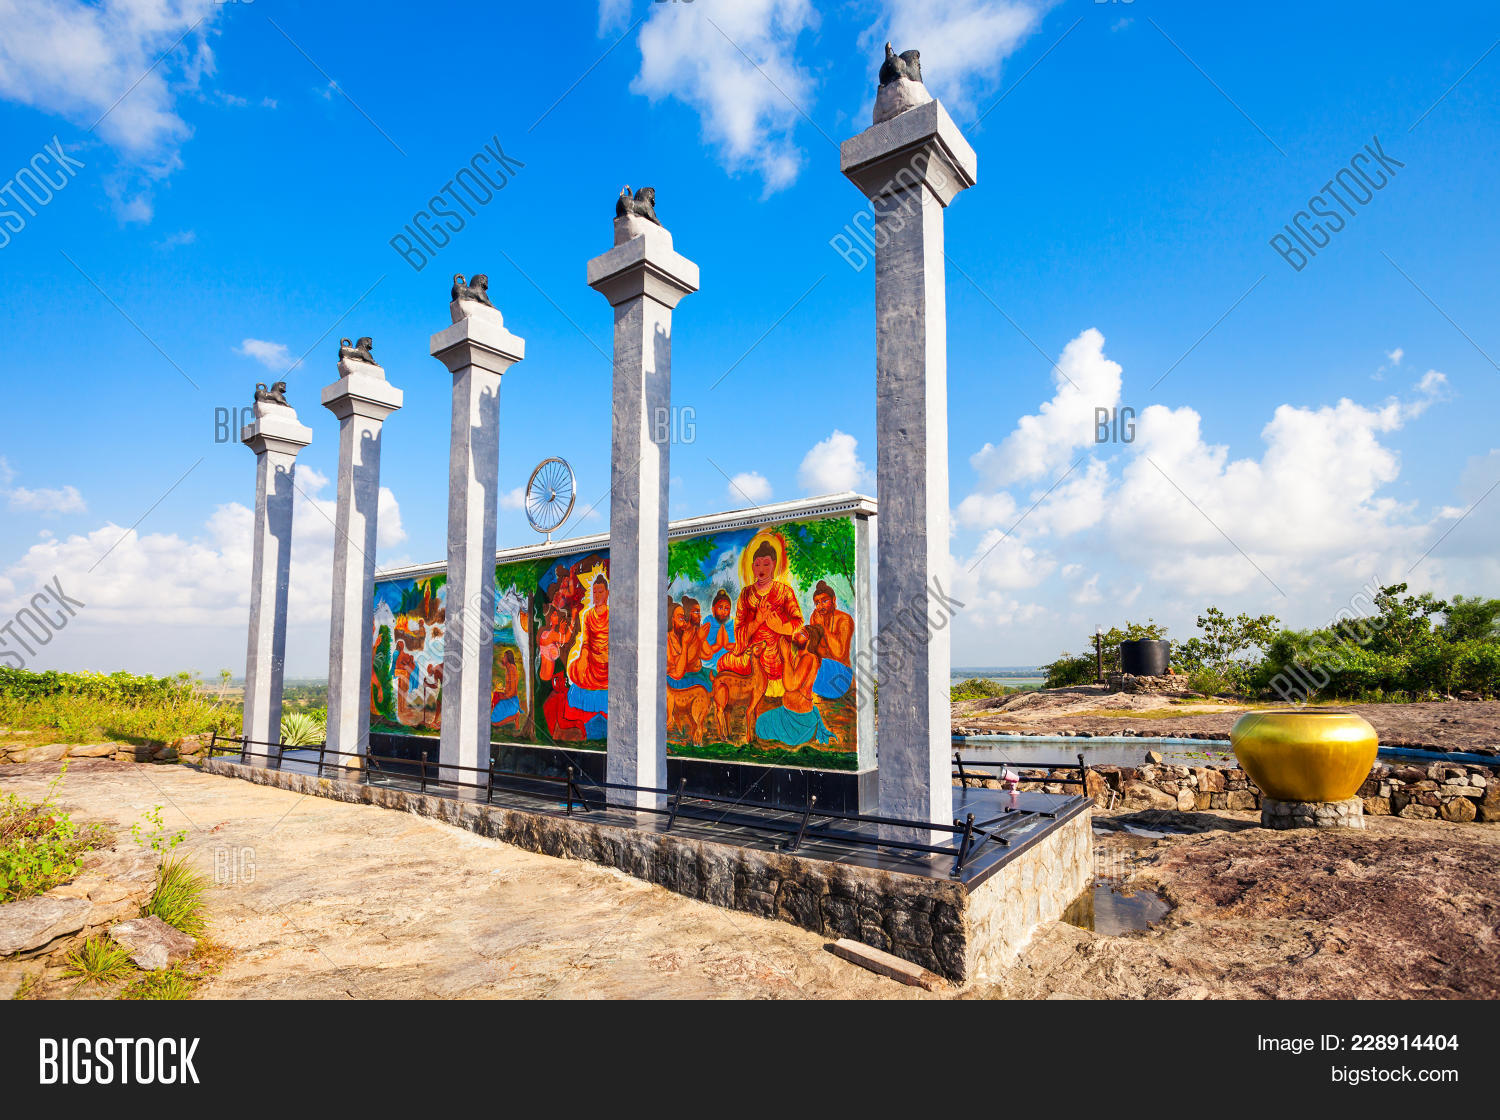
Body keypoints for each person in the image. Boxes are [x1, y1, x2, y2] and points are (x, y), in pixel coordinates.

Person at [716, 539, 803, 694]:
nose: (761, 569)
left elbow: (798, 623)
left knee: (792, 664)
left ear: (774, 565)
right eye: (757, 565)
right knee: (723, 662)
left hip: (778, 653)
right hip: (752, 653)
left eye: (766, 564)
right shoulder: (746, 594)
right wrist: (757, 622)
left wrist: (781, 628)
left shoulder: (784, 592)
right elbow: (739, 630)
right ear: (752, 567)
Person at [753, 625, 835, 748]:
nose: (796, 635)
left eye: (801, 634)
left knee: (762, 726)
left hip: (798, 720)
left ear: (809, 641)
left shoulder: (808, 658)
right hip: (787, 713)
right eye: (798, 632)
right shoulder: (799, 657)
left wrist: (786, 657)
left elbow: (790, 685)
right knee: (761, 722)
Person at [564, 573, 610, 738]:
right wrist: (583, 658)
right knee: (576, 671)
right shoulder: (588, 615)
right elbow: (586, 641)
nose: (597, 596)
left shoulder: (612, 615)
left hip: (607, 660)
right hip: (591, 659)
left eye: (600, 592)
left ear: (607, 593)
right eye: (594, 592)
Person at [809, 580, 855, 699]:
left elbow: (839, 653)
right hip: (821, 673)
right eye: (817, 603)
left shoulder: (844, 619)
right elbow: (813, 649)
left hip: (841, 677)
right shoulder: (815, 617)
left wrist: (822, 628)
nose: (821, 606)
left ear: (834, 600)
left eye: (825, 601)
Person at [702, 589, 735, 674]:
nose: (723, 612)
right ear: (713, 610)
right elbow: (703, 646)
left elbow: (737, 647)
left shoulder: (733, 624)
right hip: (709, 664)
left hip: (729, 664)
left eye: (726, 608)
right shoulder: (708, 621)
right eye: (720, 608)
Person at [490, 649, 522, 731]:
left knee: (494, 723)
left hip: (511, 701)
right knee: (493, 719)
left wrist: (503, 697)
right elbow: (509, 687)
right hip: (507, 698)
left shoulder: (512, 669)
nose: (502, 658)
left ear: (508, 658)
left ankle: (515, 716)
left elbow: (513, 691)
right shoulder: (508, 669)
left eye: (504, 657)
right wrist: (502, 690)